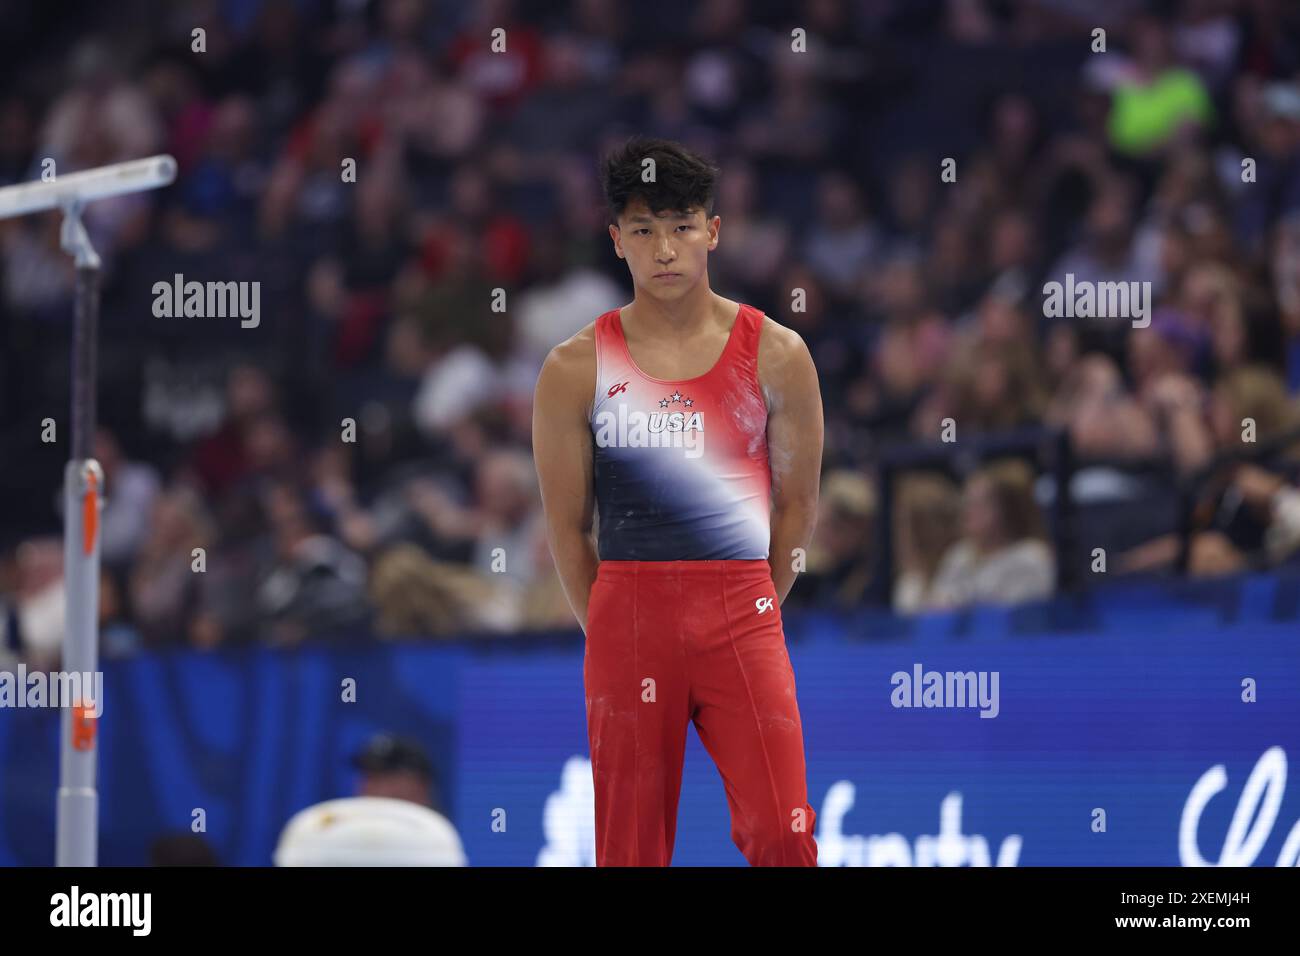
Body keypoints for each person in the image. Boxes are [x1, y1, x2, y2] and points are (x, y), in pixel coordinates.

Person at [532, 137, 824, 866]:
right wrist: (612, 622)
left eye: (682, 225)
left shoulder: (777, 353)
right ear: (616, 242)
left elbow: (796, 510)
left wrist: (755, 600)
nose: (664, 248)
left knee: (784, 834)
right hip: (628, 614)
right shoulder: (573, 368)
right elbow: (569, 530)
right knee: (630, 849)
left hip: (743, 609)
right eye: (643, 229)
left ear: (713, 232)